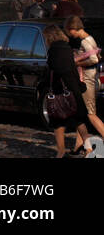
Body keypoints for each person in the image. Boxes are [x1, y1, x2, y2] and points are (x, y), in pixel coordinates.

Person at [41, 24, 94, 158]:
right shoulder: (67, 48)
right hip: (73, 88)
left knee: (58, 122)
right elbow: (72, 69)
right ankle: (89, 149)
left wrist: (47, 84)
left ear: (49, 37)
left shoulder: (54, 51)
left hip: (60, 89)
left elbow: (55, 71)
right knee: (79, 121)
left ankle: (61, 151)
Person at [65, 15, 101, 129]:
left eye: (69, 31)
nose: (70, 35)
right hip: (93, 77)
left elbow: (94, 59)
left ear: (73, 28)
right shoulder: (90, 39)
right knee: (83, 114)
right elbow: (98, 57)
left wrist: (77, 63)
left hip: (88, 78)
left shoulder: (85, 42)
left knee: (90, 113)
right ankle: (80, 144)